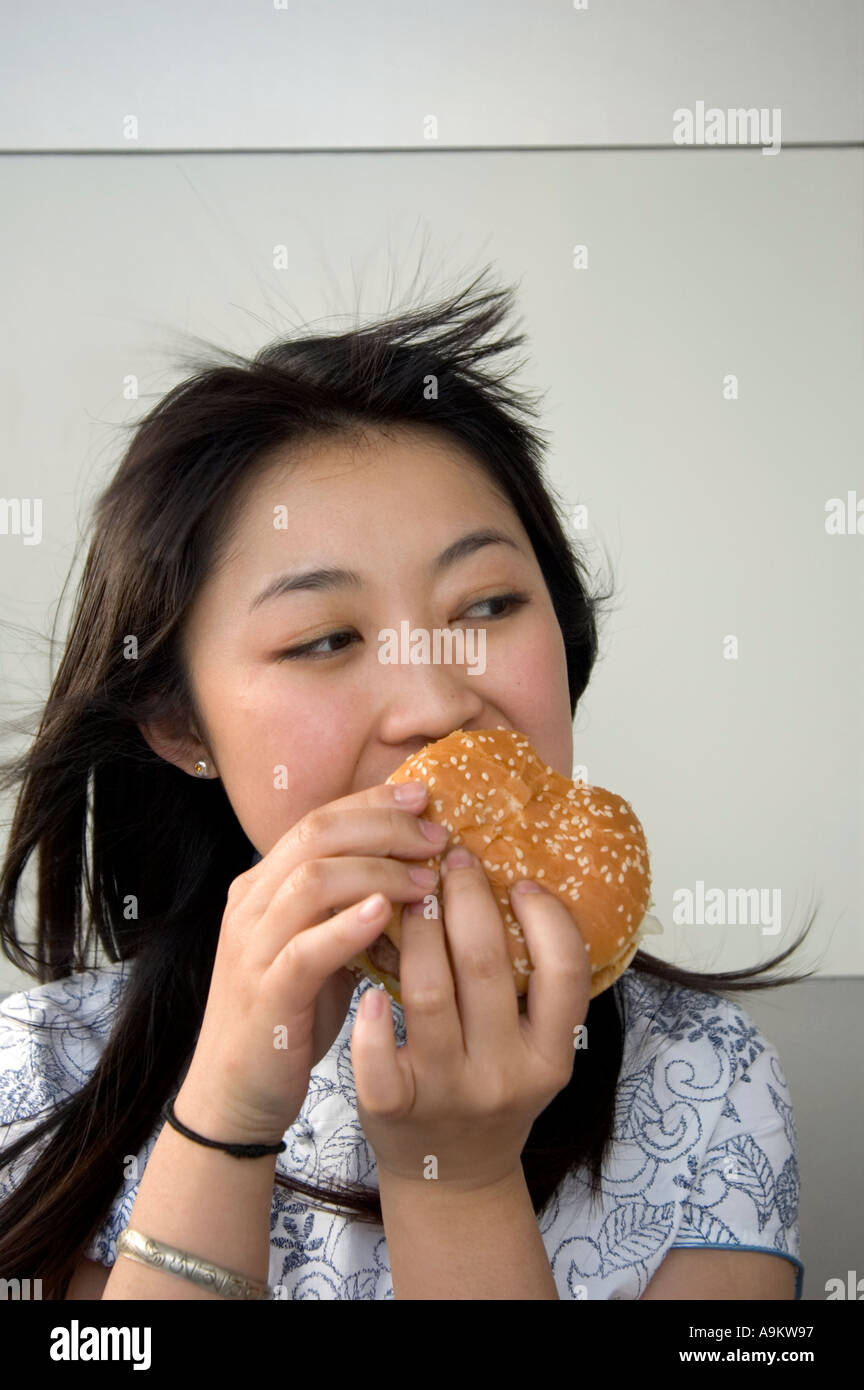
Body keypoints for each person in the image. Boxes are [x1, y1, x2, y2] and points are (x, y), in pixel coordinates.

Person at [0, 268, 816, 1300]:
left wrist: (459, 1183)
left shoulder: (709, 1084)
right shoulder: (39, 1082)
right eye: (327, 637)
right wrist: (224, 1121)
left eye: (485, 605)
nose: (435, 701)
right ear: (177, 722)